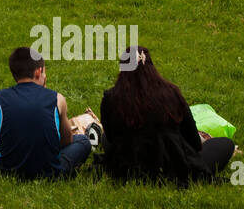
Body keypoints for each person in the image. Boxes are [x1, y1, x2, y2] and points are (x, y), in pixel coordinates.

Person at [100, 46, 236, 184]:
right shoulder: (171, 93)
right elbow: (194, 142)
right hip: (173, 165)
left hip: (129, 166)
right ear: (151, 67)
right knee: (225, 144)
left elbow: (111, 137)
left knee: (105, 138)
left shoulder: (111, 97)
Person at [0, 46, 91, 178]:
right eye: (44, 72)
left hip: (6, 172)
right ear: (38, 72)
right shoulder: (57, 99)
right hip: (51, 172)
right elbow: (67, 141)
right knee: (83, 141)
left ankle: (3, 162)